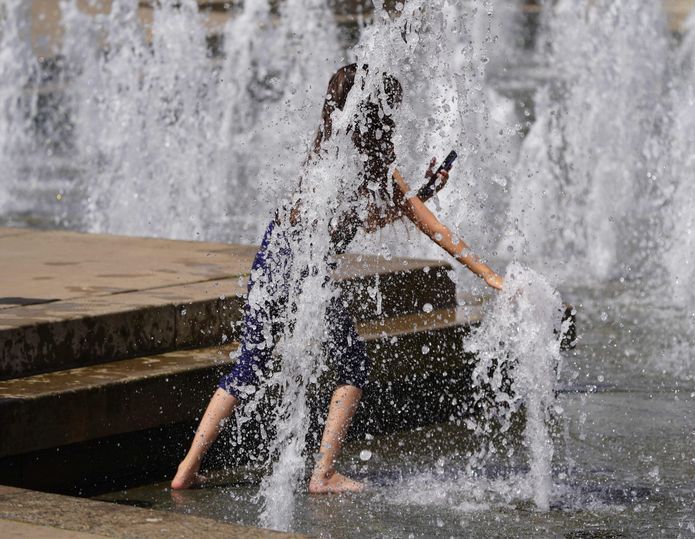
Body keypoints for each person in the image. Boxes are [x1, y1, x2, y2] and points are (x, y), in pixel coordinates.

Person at [171, 63, 504, 494]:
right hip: (304, 270)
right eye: (392, 112)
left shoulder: (326, 153)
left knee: (250, 365)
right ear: (378, 115)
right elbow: (431, 228)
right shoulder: (375, 165)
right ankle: (324, 473)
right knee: (353, 363)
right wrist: (489, 274)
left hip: (272, 258)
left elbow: (365, 221)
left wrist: (425, 191)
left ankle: (187, 469)